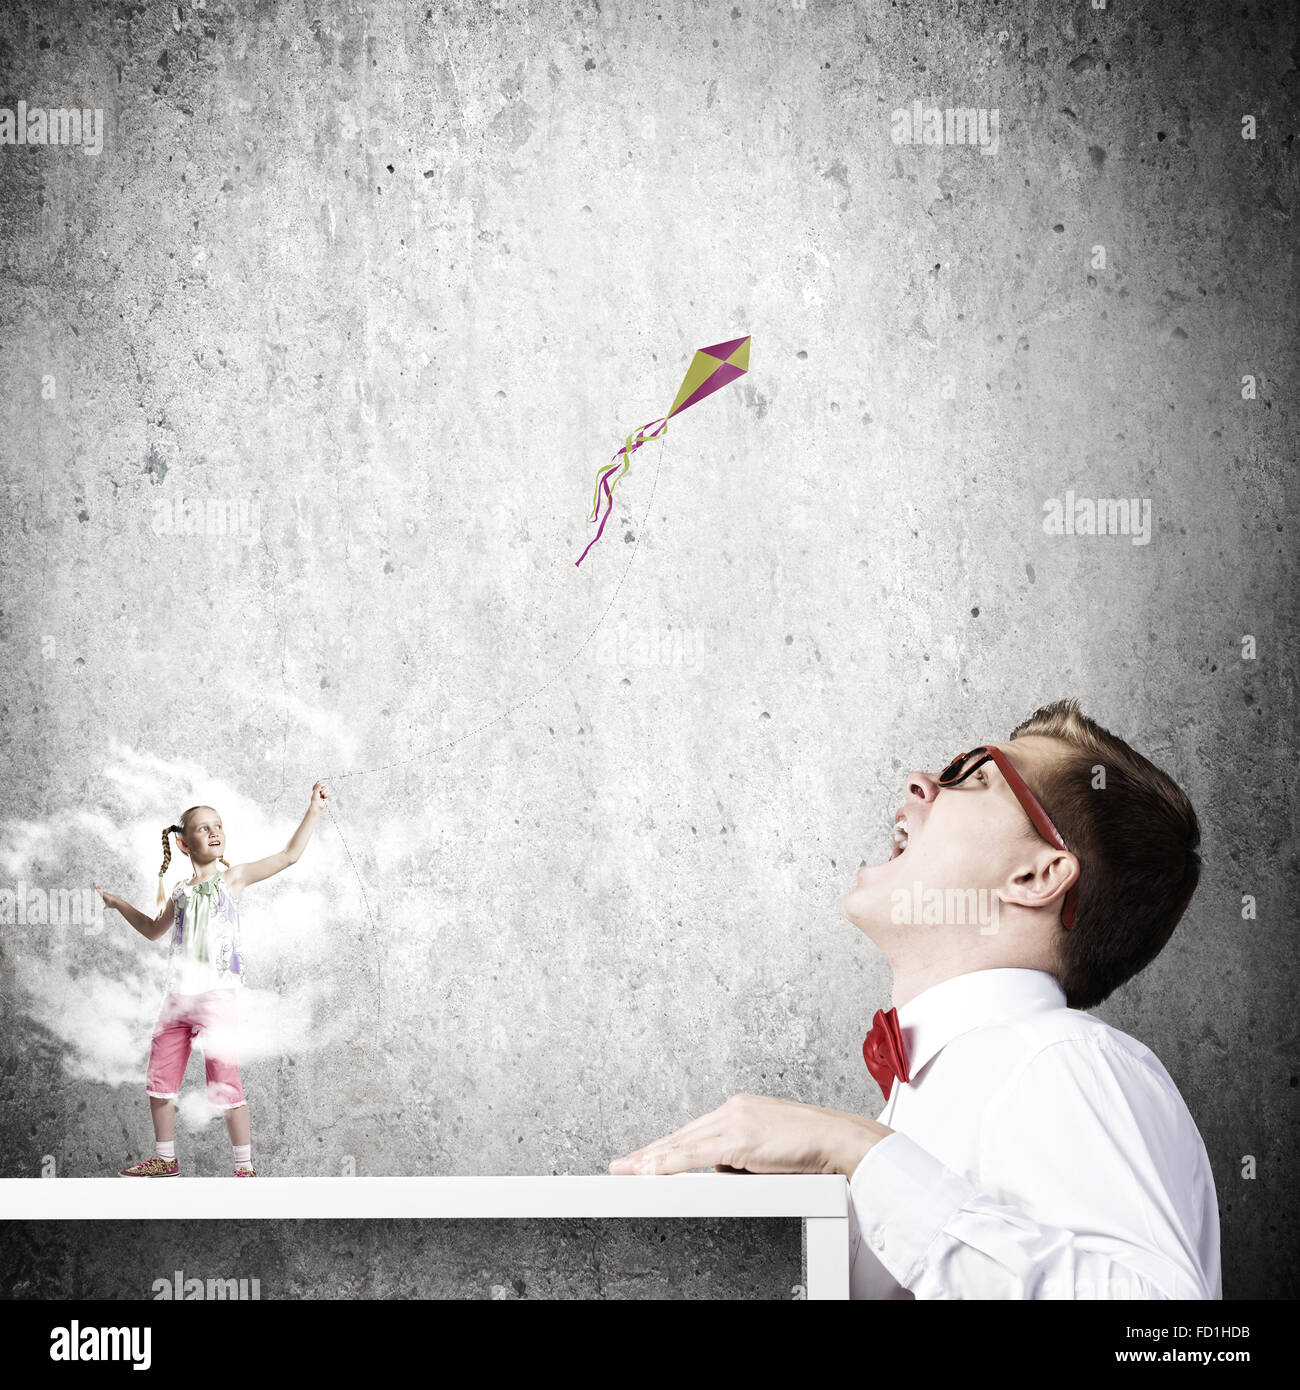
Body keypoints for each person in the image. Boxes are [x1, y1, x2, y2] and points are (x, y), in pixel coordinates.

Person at [609, 699, 1220, 1299]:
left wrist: (852, 1150)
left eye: (972, 777)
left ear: (1036, 877)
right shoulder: (942, 1091)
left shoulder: (1066, 1058)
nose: (920, 783)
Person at [94, 781, 329, 1178]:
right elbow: (154, 930)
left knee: (225, 1082)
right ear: (184, 844)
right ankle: (166, 1159)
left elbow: (289, 856)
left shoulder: (231, 879)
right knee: (159, 1081)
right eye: (204, 828)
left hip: (217, 999)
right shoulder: (182, 891)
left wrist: (314, 810)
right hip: (176, 1000)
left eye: (218, 825)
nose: (215, 831)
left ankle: (245, 1169)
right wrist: (118, 904)